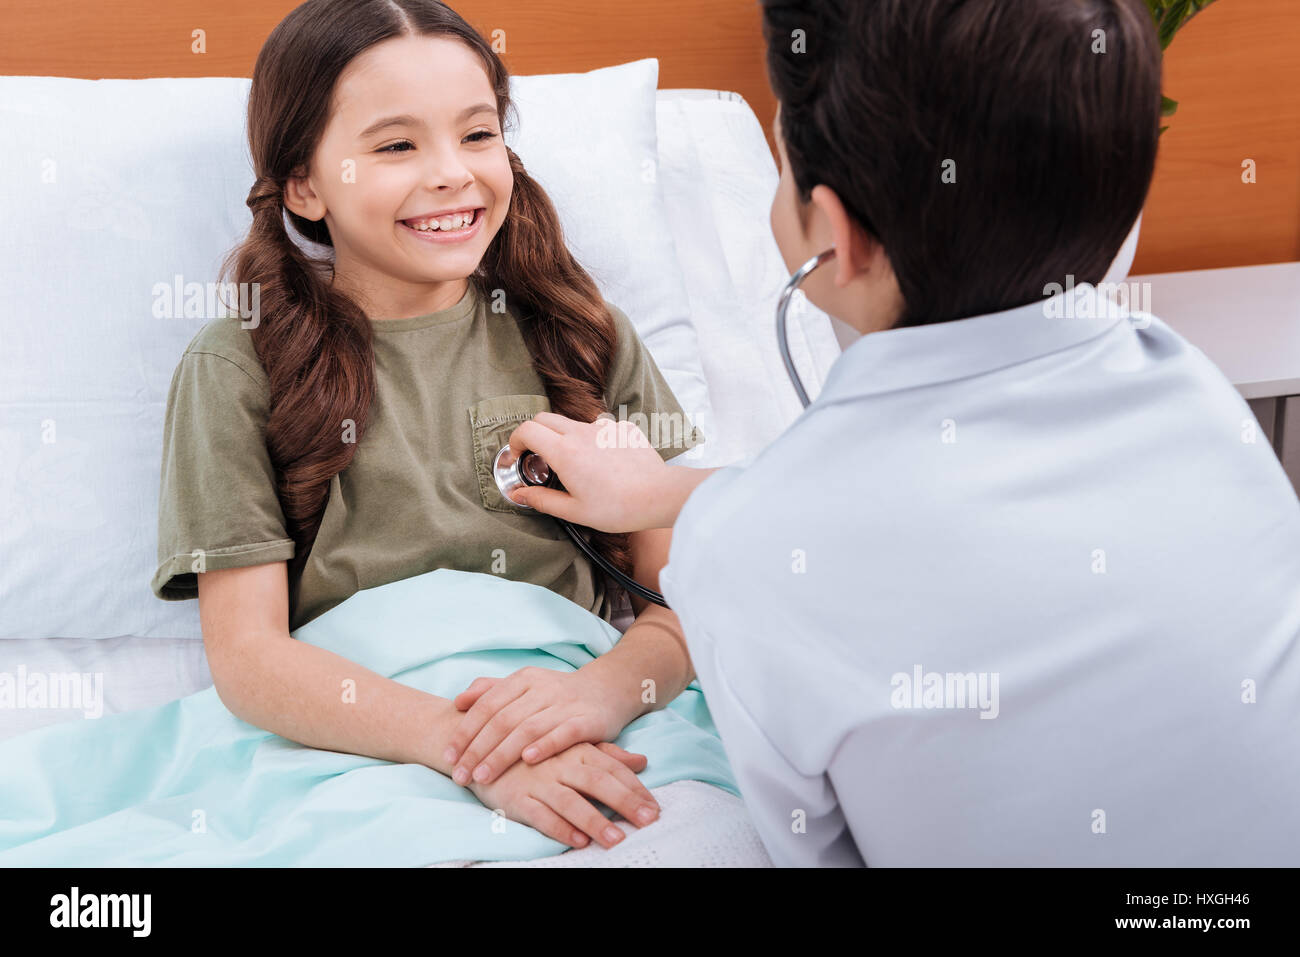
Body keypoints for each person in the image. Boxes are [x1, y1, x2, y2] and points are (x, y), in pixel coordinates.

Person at [498, 0, 1300, 866]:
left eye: (780, 166)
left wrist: (714, 518)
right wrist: (666, 493)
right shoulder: (1191, 388)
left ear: (833, 235)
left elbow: (822, 846)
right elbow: (953, 520)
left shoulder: (743, 559)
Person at [152, 0, 720, 854]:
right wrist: (474, 751)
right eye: (395, 145)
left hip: (586, 719)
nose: (453, 173)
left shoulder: (582, 334)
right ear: (303, 182)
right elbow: (249, 659)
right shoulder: (237, 365)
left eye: (478, 134)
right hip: (363, 741)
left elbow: (683, 607)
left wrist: (601, 696)